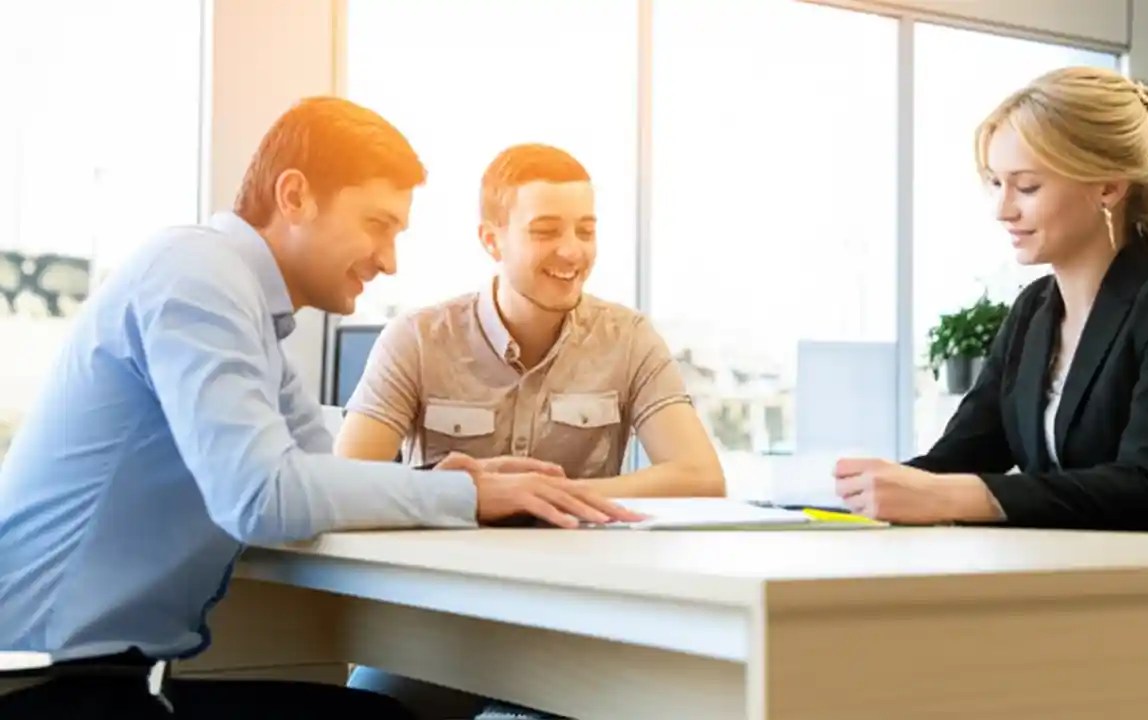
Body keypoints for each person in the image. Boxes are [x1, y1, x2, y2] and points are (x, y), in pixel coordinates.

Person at [0, 98, 637, 719]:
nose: (389, 260)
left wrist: (447, 481)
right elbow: (263, 495)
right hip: (42, 687)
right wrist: (467, 497)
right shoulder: (196, 274)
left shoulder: (248, 310)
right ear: (295, 196)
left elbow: (316, 470)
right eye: (378, 224)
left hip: (99, 678)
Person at [334, 142, 725, 718]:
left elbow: (700, 477)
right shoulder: (417, 339)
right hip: (439, 629)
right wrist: (463, 497)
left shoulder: (629, 338)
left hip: (579, 625)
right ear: (492, 239)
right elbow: (347, 483)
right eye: (546, 231)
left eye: (585, 230)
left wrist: (549, 499)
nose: (572, 251)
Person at [834, 67, 1148, 535]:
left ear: (1108, 187)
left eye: (1027, 186)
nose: (1003, 210)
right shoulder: (1033, 311)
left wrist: (949, 495)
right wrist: (862, 495)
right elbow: (958, 458)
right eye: (996, 183)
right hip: (1083, 578)